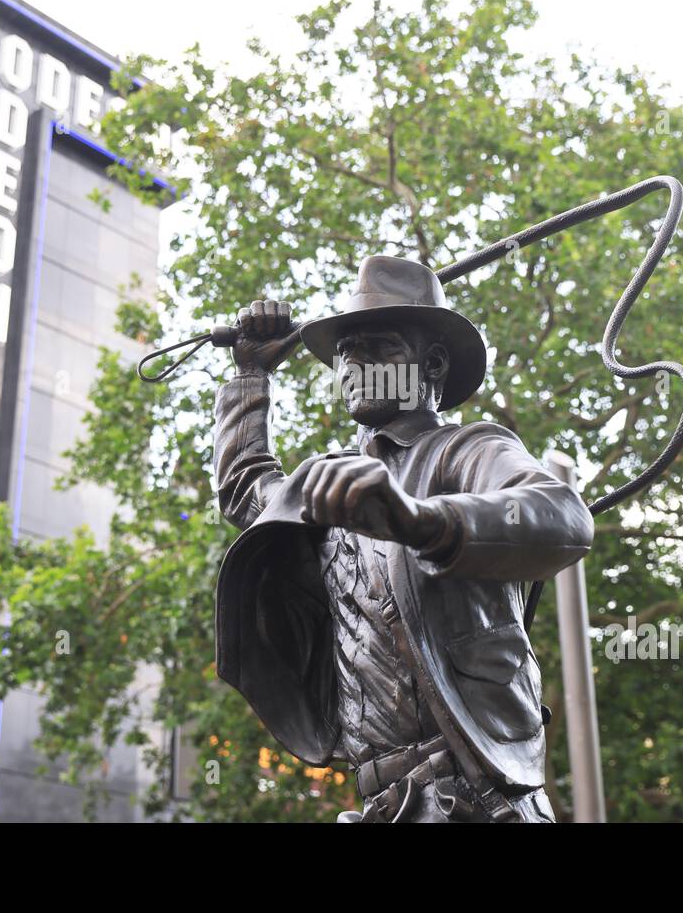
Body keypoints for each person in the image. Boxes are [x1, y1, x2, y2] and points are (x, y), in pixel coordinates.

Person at [212, 255, 593, 822]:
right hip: (382, 805)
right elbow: (246, 490)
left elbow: (562, 516)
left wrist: (417, 519)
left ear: (432, 365)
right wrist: (249, 377)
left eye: (379, 346)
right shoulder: (329, 482)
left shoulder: (465, 451)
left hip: (473, 801)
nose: (354, 363)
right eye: (345, 352)